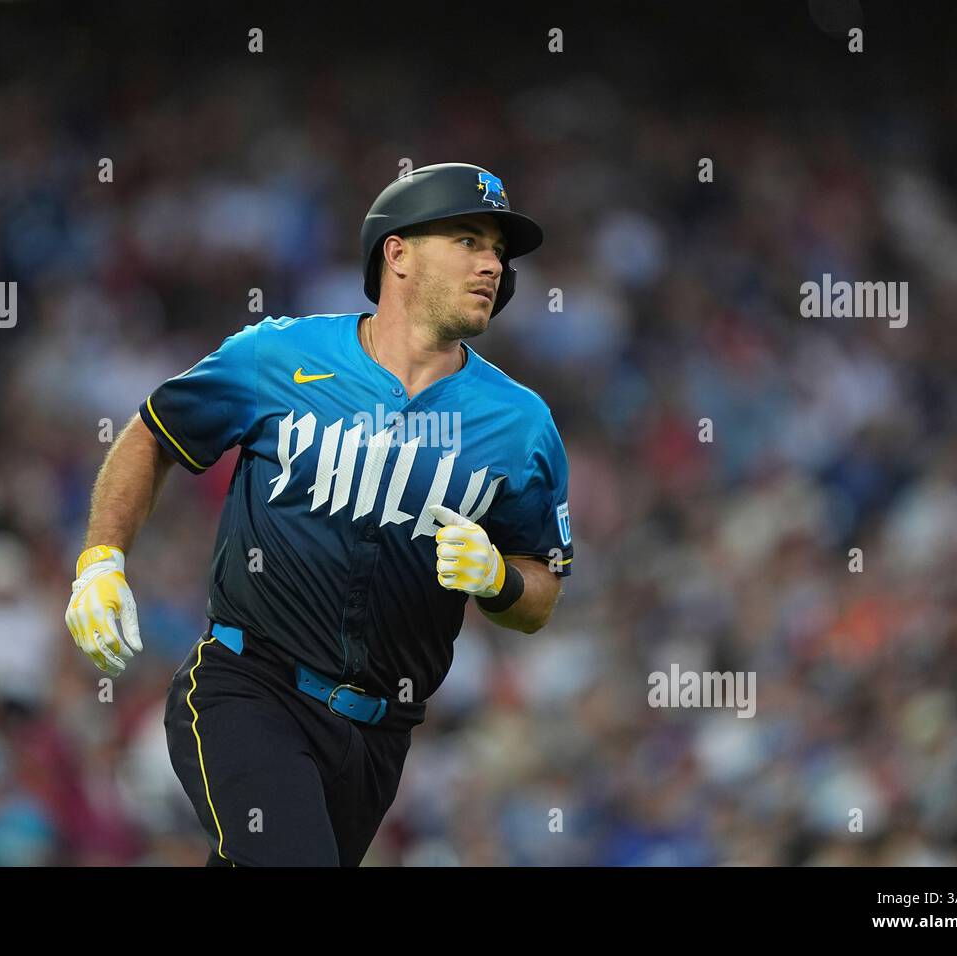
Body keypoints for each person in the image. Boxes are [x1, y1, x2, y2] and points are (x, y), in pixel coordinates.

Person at [65, 163, 575, 866]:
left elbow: (541, 593)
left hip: (378, 738)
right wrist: (100, 560)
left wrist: (499, 579)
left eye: (497, 251)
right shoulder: (277, 356)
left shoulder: (521, 425)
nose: (492, 264)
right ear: (397, 252)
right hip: (249, 689)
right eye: (468, 240)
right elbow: (154, 434)